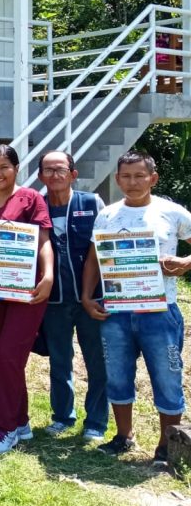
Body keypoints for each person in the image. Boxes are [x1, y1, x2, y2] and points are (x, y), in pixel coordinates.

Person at [82, 150, 191, 468]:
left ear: (153, 178)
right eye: (126, 176)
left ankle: (166, 446)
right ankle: (123, 436)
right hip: (116, 310)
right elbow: (93, 258)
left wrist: (184, 263)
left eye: (139, 176)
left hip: (160, 311)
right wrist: (87, 297)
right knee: (117, 376)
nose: (132, 182)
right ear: (117, 179)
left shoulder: (171, 212)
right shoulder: (108, 215)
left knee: (167, 378)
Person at [0, 144, 53, 455]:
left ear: (16, 168)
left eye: (3, 167)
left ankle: (4, 428)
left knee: (9, 354)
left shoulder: (31, 198)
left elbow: (44, 240)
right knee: (9, 358)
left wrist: (48, 275)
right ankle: (21, 421)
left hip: (28, 289)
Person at [37, 150, 108, 441]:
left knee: (97, 360)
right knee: (59, 360)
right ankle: (63, 416)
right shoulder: (35, 207)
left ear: (73, 174)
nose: (54, 175)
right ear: (40, 176)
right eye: (48, 170)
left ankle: (96, 422)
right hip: (53, 300)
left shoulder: (92, 204)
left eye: (60, 170)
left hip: (91, 299)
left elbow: (104, 248)